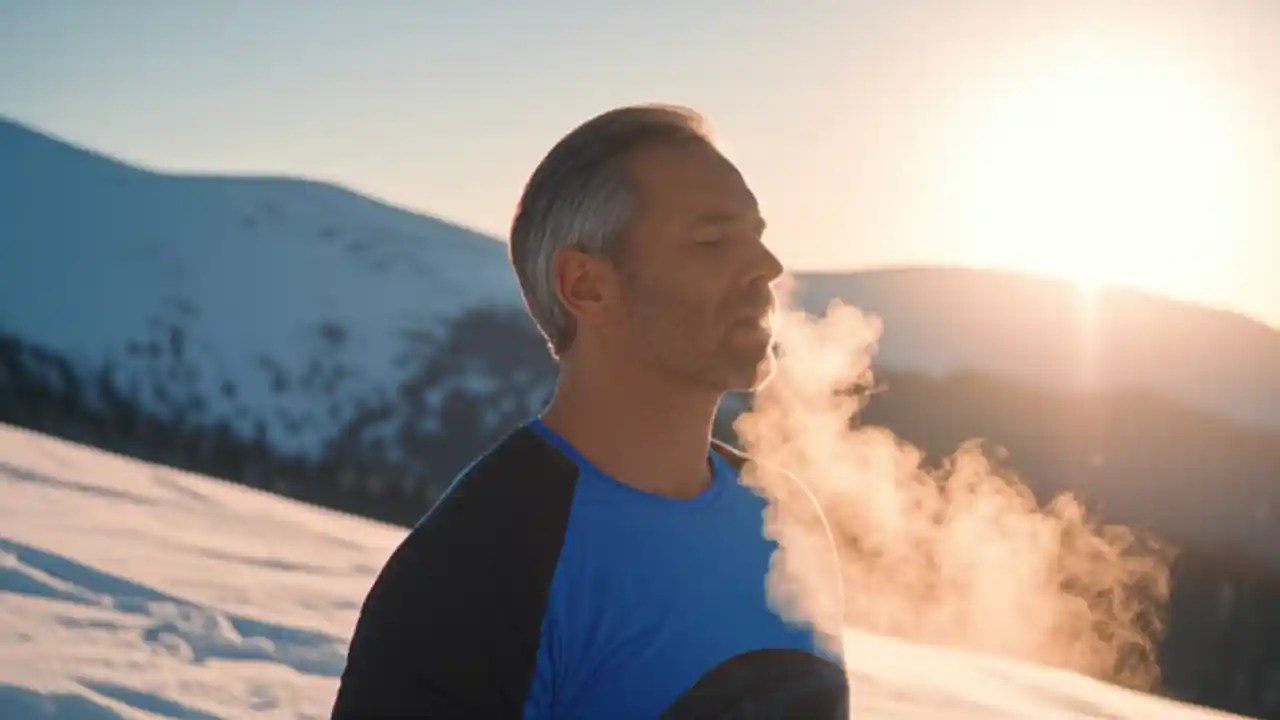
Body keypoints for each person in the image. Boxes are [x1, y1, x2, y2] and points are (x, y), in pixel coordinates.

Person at [331, 105, 848, 719]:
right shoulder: (479, 567)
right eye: (713, 241)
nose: (767, 267)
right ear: (587, 285)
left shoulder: (783, 516)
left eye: (758, 235)